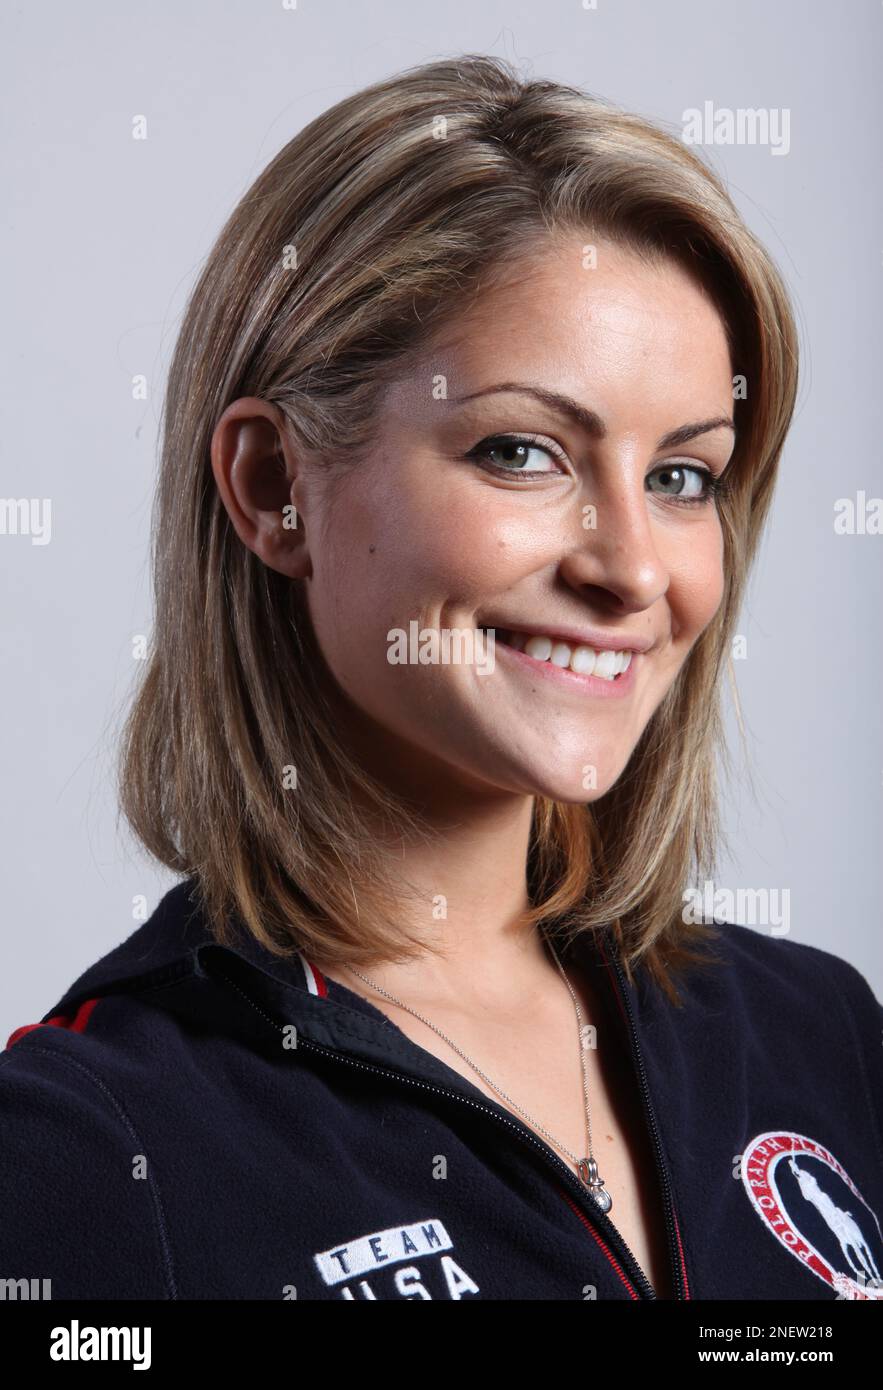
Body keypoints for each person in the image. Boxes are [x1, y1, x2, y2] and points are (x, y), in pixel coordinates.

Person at [2, 54, 881, 1303]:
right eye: (521, 451)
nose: (633, 569)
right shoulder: (89, 1145)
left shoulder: (818, 1033)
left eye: (683, 476)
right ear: (272, 488)